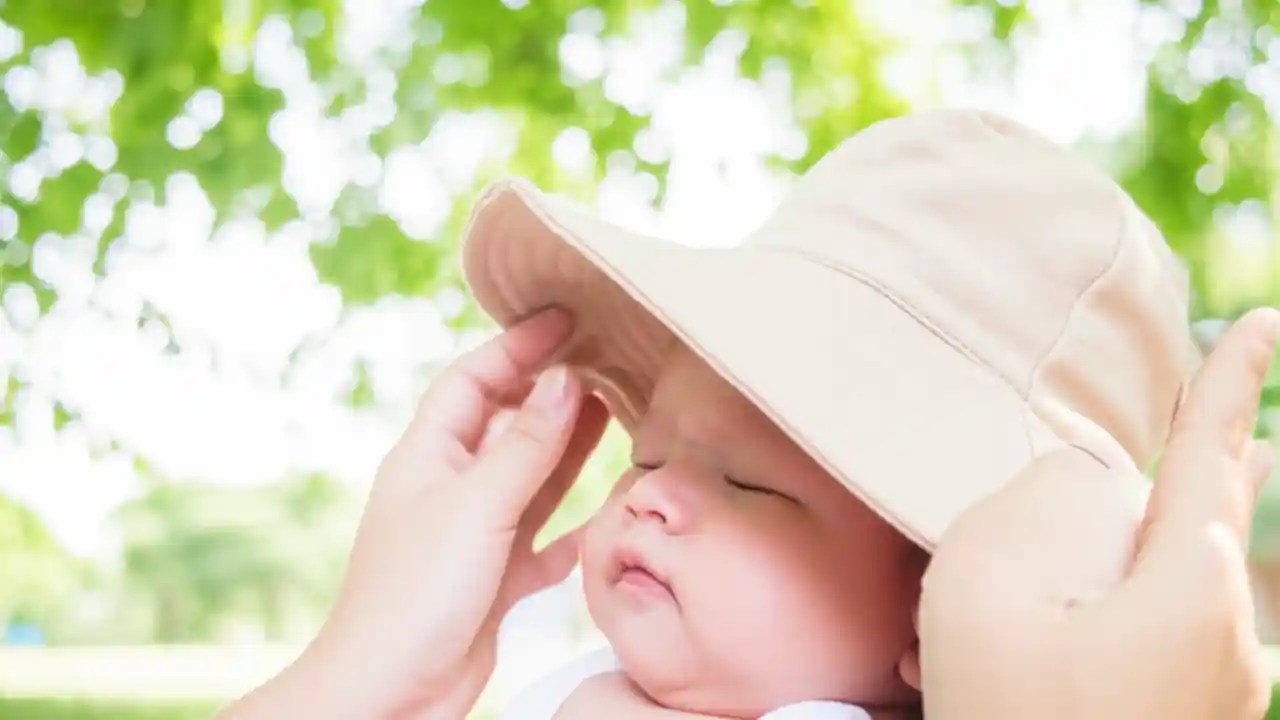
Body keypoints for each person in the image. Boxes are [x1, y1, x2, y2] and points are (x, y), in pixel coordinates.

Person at [220, 111, 1280, 719]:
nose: (652, 498)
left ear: (934, 611)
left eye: (753, 484)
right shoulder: (552, 669)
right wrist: (358, 668)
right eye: (640, 458)